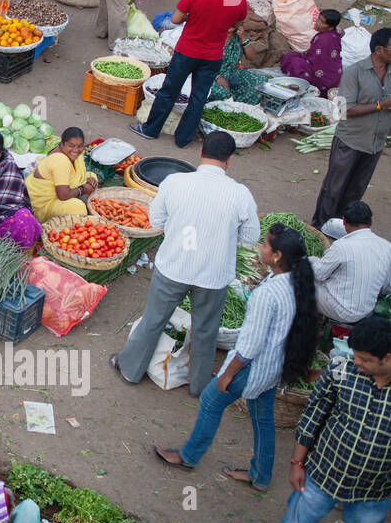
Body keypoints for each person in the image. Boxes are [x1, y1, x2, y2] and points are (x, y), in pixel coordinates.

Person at [154, 224, 319, 492]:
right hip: (274, 364)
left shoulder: (268, 294)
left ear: (276, 256)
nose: (261, 248)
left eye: (265, 245)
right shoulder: (295, 283)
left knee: (210, 400)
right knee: (263, 416)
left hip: (254, 365)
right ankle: (261, 476)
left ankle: (188, 457)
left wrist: (229, 372)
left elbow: (251, 345)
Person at [112, 132, 260, 396]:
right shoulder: (240, 194)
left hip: (174, 266)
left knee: (154, 319)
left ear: (201, 151)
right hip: (213, 275)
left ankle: (129, 369)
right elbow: (250, 237)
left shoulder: (175, 182)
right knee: (206, 330)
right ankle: (199, 385)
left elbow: (156, 220)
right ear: (229, 159)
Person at [273, 316, 391, 523]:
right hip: (323, 474)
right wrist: (297, 463)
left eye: (364, 359)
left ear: (386, 358)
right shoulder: (341, 370)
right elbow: (313, 416)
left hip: (373, 491)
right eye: (355, 354)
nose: (356, 361)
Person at [130, 0, 246, 148]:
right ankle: (183, 139)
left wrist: (189, 17)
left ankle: (150, 130)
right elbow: (238, 22)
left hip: (187, 51)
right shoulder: (239, 0)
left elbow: (175, 20)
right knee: (198, 97)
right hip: (212, 56)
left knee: (169, 91)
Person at [311, 28, 391, 226]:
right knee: (334, 188)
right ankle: (320, 227)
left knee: (357, 189)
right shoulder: (355, 72)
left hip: (375, 143)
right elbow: (343, 110)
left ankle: (343, 226)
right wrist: (382, 105)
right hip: (351, 140)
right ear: (379, 49)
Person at [309, 202, 391, 326]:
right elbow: (386, 286)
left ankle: (303, 323)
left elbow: (318, 275)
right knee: (314, 261)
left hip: (340, 310)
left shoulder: (342, 246)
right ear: (370, 222)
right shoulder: (386, 246)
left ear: (344, 222)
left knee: (298, 277)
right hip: (366, 310)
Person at [25, 127, 98, 223]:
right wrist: (83, 189)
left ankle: (81, 195)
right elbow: (63, 195)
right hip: (43, 204)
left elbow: (79, 173)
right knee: (77, 208)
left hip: (62, 189)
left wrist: (89, 179)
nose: (75, 150)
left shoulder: (73, 154)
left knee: (92, 175)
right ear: (62, 144)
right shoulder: (60, 161)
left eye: (79, 146)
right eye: (71, 146)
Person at [281, 8, 343, 96]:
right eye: (318, 19)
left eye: (322, 22)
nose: (318, 23)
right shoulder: (334, 34)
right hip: (334, 74)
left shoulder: (323, 39)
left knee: (293, 61)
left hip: (323, 79)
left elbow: (314, 60)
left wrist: (304, 56)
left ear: (330, 27)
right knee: (292, 55)